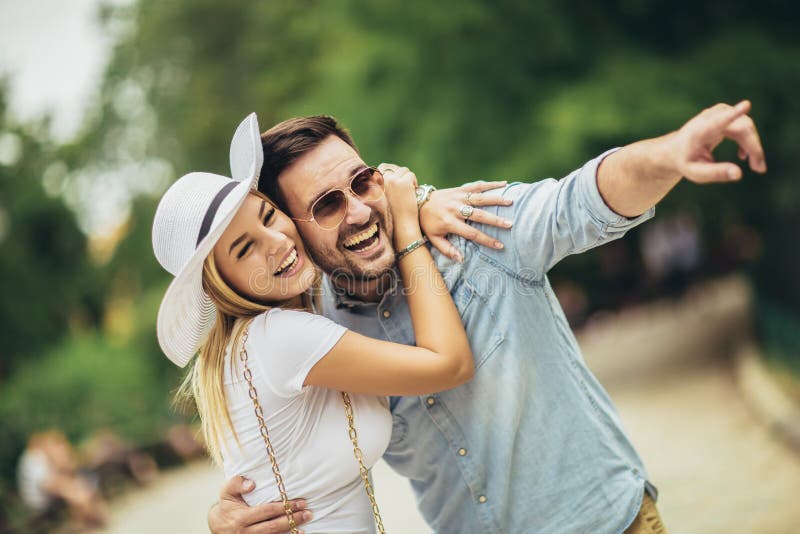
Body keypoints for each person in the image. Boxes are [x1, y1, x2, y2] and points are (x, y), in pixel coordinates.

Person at [209, 101, 766, 533]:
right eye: (327, 205)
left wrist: (668, 153)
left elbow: (583, 199)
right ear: (295, 230)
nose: (358, 210)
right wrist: (231, 513)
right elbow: (284, 443)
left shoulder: (473, 230)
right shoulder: (321, 335)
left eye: (363, 182)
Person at [152, 114, 510, 533]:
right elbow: (449, 364)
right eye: (245, 248)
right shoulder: (280, 337)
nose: (277, 242)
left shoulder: (254, 341)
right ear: (221, 285)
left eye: (268, 217)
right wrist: (408, 227)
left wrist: (422, 200)